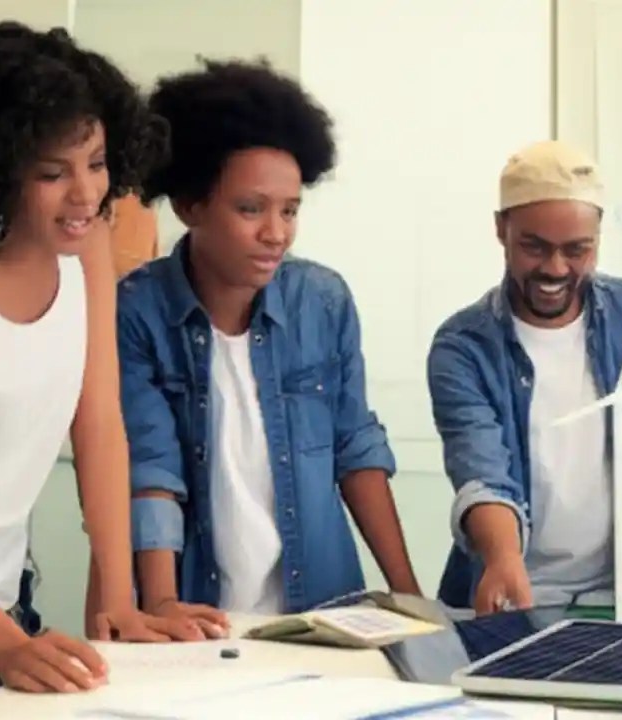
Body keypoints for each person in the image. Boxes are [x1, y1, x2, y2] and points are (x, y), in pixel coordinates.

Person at [0, 22, 195, 718]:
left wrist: (121, 602)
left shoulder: (87, 248)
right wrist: (7, 646)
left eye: (95, 162)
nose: (85, 194)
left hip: (3, 589)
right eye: (52, 173)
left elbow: (99, 425)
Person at [118, 59, 421, 627]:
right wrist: (160, 604)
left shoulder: (323, 300)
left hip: (324, 613)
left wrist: (408, 595)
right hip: (201, 613)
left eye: (289, 210)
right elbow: (150, 467)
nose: (275, 233)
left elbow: (356, 448)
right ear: (189, 205)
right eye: (250, 209)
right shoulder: (137, 310)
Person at [427, 139, 622, 614]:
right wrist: (503, 562)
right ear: (501, 229)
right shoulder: (463, 345)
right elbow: (482, 469)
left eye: (577, 250)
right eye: (534, 248)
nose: (555, 269)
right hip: (515, 596)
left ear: (599, 237)